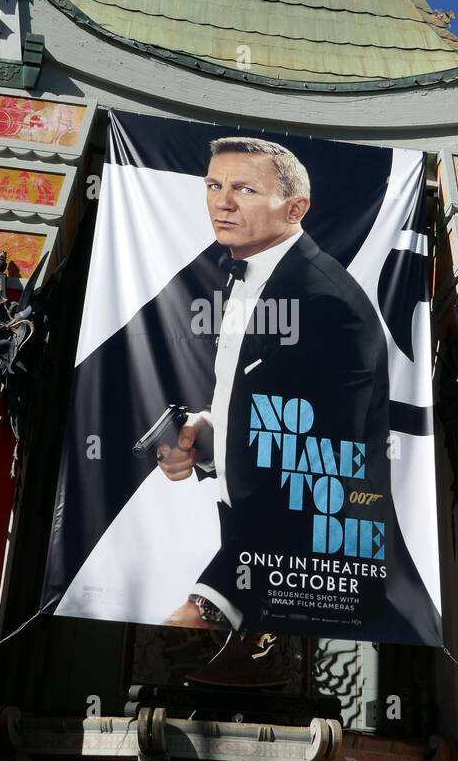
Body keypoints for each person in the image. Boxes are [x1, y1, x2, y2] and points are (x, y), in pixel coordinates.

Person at [156, 135, 441, 646]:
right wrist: (206, 438)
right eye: (214, 185)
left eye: (243, 188)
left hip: (332, 588)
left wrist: (210, 603)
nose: (221, 201)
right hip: (261, 566)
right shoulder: (245, 275)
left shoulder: (329, 306)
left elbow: (318, 470)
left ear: (296, 208)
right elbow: (265, 407)